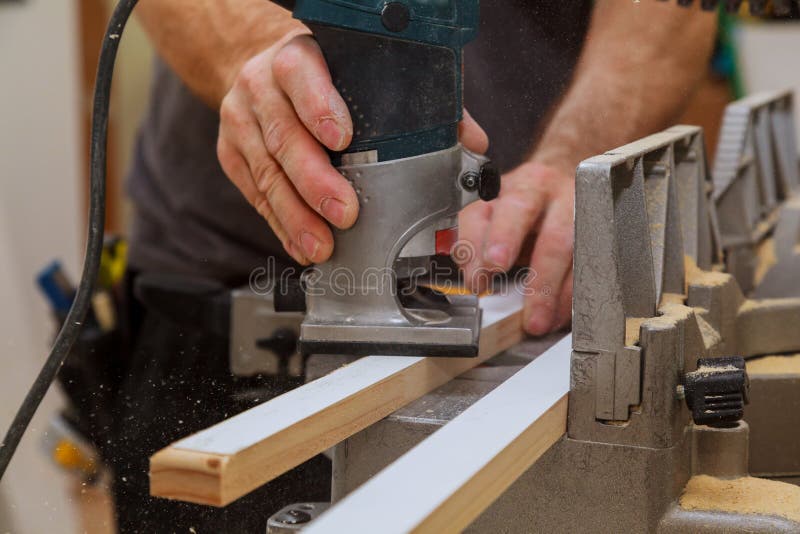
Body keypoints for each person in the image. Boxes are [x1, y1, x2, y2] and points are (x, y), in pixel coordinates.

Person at [109, 0, 717, 531]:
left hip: (528, 309)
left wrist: (581, 159)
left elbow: (675, 12)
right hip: (221, 300)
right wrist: (262, 55)